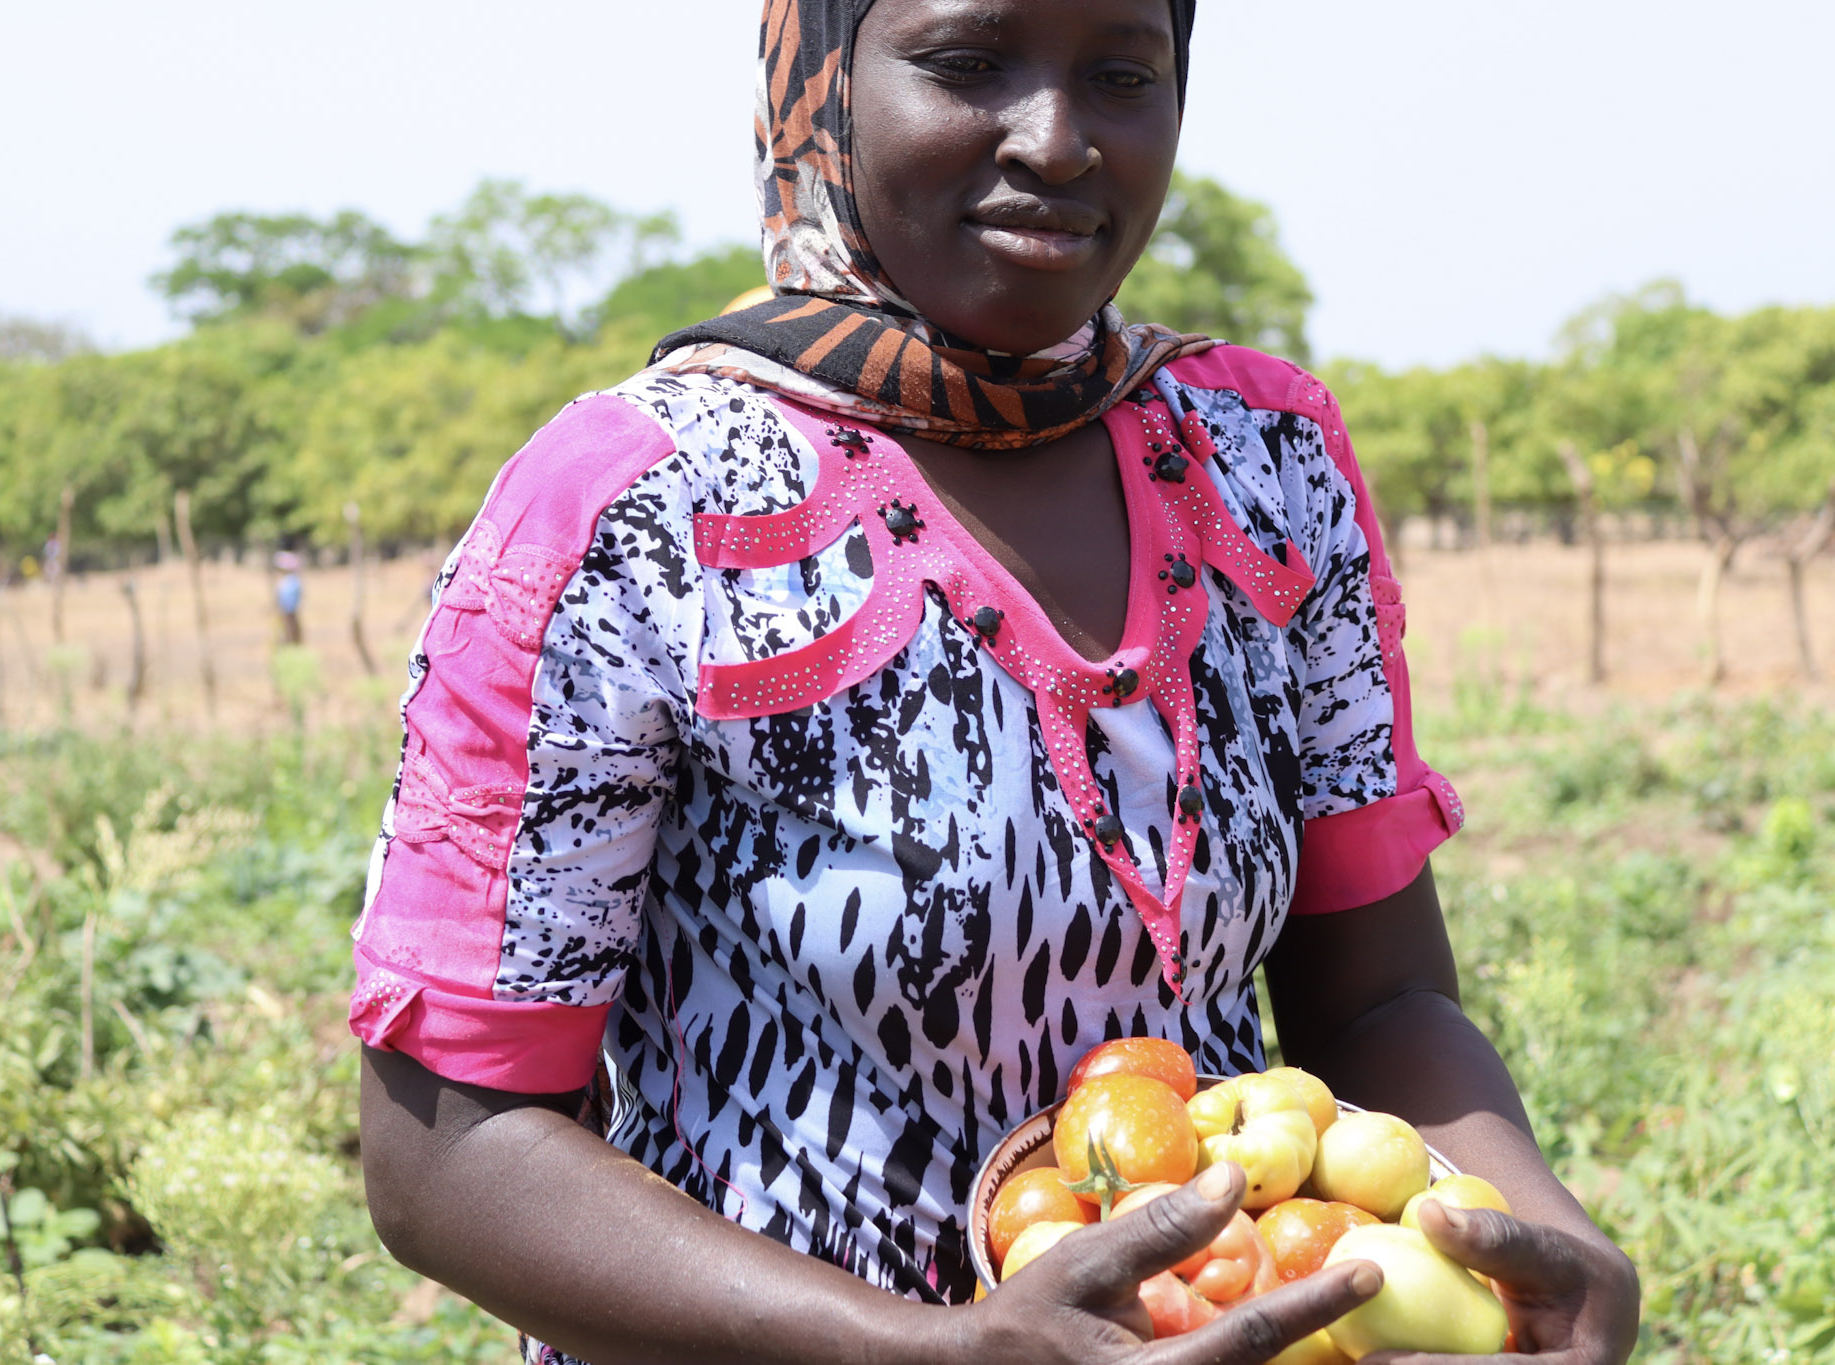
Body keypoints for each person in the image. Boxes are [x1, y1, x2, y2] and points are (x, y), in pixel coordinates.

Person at [351, 2, 1641, 1362]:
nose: (1059, 140)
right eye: (969, 63)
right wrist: (930, 1349)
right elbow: (449, 1152)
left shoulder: (1266, 463)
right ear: (822, 82)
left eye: (1123, 72)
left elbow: (1377, 1002)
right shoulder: (633, 510)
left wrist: (1536, 1236)